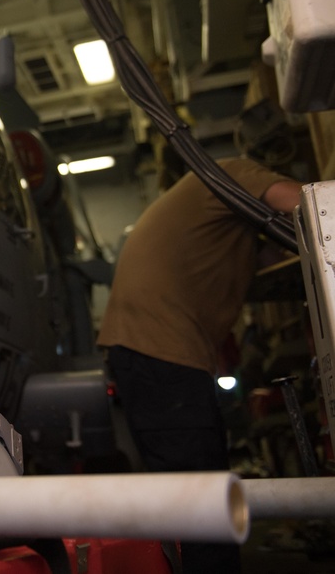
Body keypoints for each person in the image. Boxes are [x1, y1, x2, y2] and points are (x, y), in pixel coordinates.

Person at [97, 156, 302, 574]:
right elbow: (307, 201)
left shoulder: (219, 212)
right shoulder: (235, 172)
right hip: (162, 351)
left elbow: (268, 260)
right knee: (203, 501)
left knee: (193, 496)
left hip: (149, 351)